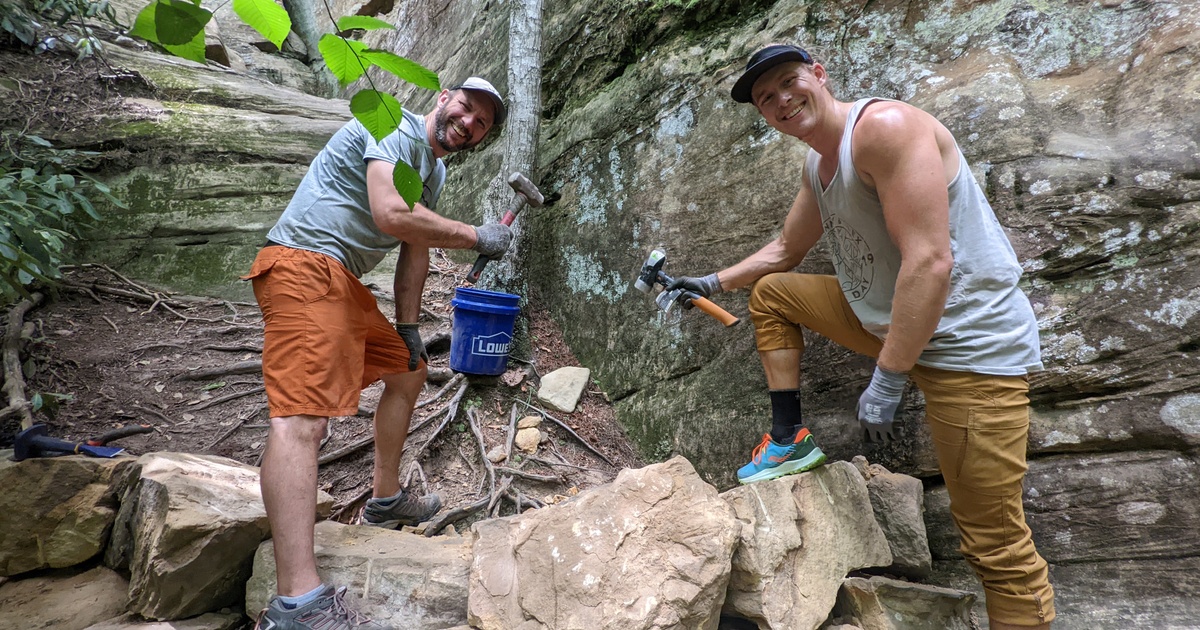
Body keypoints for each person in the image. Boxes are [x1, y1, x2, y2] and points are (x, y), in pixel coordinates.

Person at [668, 45, 1054, 628]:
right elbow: (784, 252)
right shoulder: (817, 165)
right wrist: (709, 281)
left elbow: (930, 262)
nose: (780, 100)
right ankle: (788, 439)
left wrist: (889, 378)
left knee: (996, 548)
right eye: (766, 98)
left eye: (789, 82)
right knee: (774, 294)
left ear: (820, 75)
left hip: (969, 352)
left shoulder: (884, 129)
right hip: (893, 327)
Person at [245, 77, 512, 630]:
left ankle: (385, 500)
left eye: (482, 122)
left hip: (342, 282)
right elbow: (391, 215)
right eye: (466, 108)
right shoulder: (392, 125)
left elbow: (416, 249)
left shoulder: (431, 171)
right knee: (301, 421)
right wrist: (476, 235)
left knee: (411, 373)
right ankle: (297, 602)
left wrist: (409, 327)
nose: (468, 123)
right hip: (304, 264)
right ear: (443, 98)